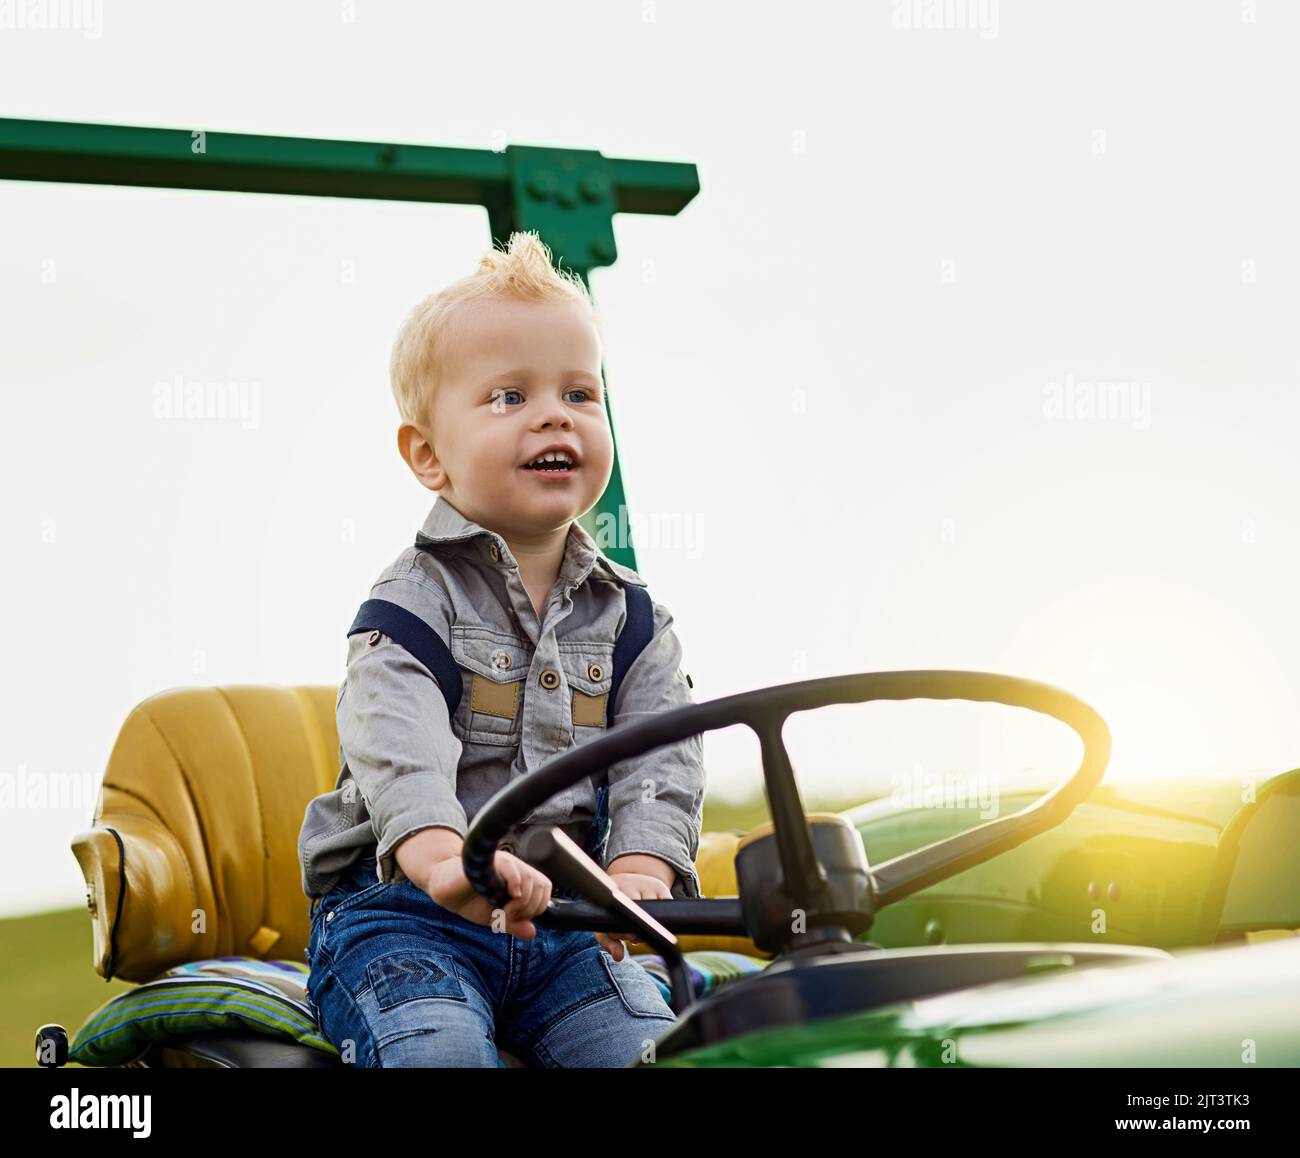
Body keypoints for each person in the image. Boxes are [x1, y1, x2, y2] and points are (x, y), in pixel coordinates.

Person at [297, 230, 706, 1068]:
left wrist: (637, 870)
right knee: (437, 1049)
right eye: (509, 397)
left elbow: (660, 760)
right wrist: (449, 863)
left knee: (650, 1054)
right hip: (410, 917)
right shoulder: (409, 604)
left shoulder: (636, 621)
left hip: (569, 927)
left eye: (580, 394)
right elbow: (396, 750)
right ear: (427, 455)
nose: (555, 414)